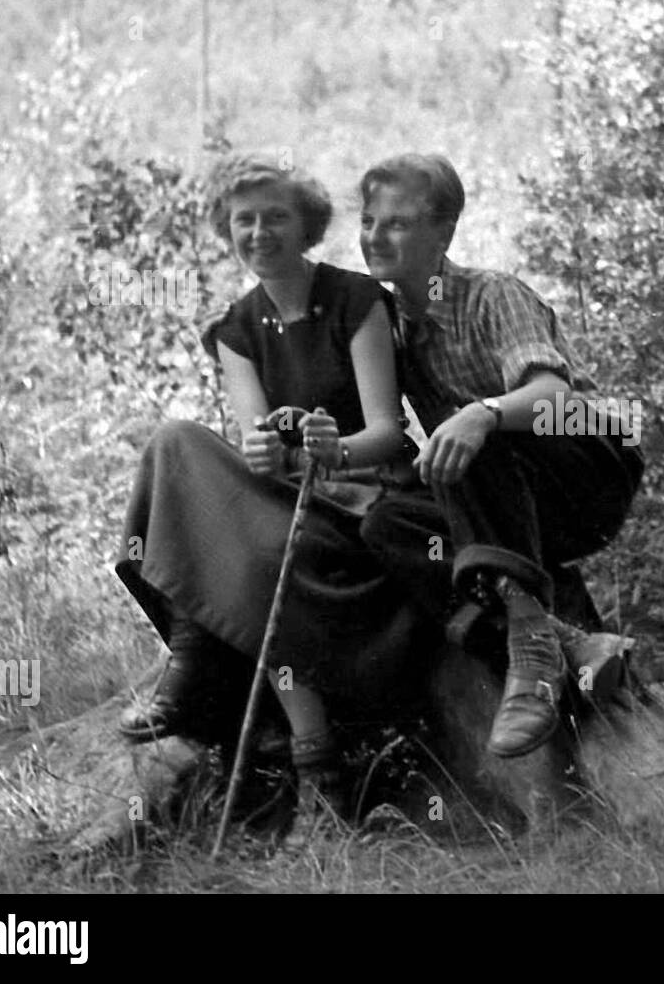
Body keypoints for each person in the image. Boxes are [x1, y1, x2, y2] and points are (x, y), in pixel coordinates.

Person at [115, 154, 419, 844]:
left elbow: (388, 432)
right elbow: (261, 443)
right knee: (174, 441)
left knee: (258, 555)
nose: (259, 232)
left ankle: (320, 777)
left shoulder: (356, 300)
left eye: (275, 216)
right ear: (227, 228)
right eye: (243, 220)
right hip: (284, 498)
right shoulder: (235, 327)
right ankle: (194, 652)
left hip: (363, 505)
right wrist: (268, 450)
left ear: (305, 223)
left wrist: (331, 446)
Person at [356, 153, 645, 760]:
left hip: (584, 472)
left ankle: (537, 655)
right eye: (367, 221)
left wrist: (480, 413)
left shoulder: (492, 295)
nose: (375, 237)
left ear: (445, 232)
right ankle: (560, 642)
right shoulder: (389, 332)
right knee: (389, 524)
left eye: (398, 223)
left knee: (474, 434)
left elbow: (552, 397)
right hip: (505, 502)